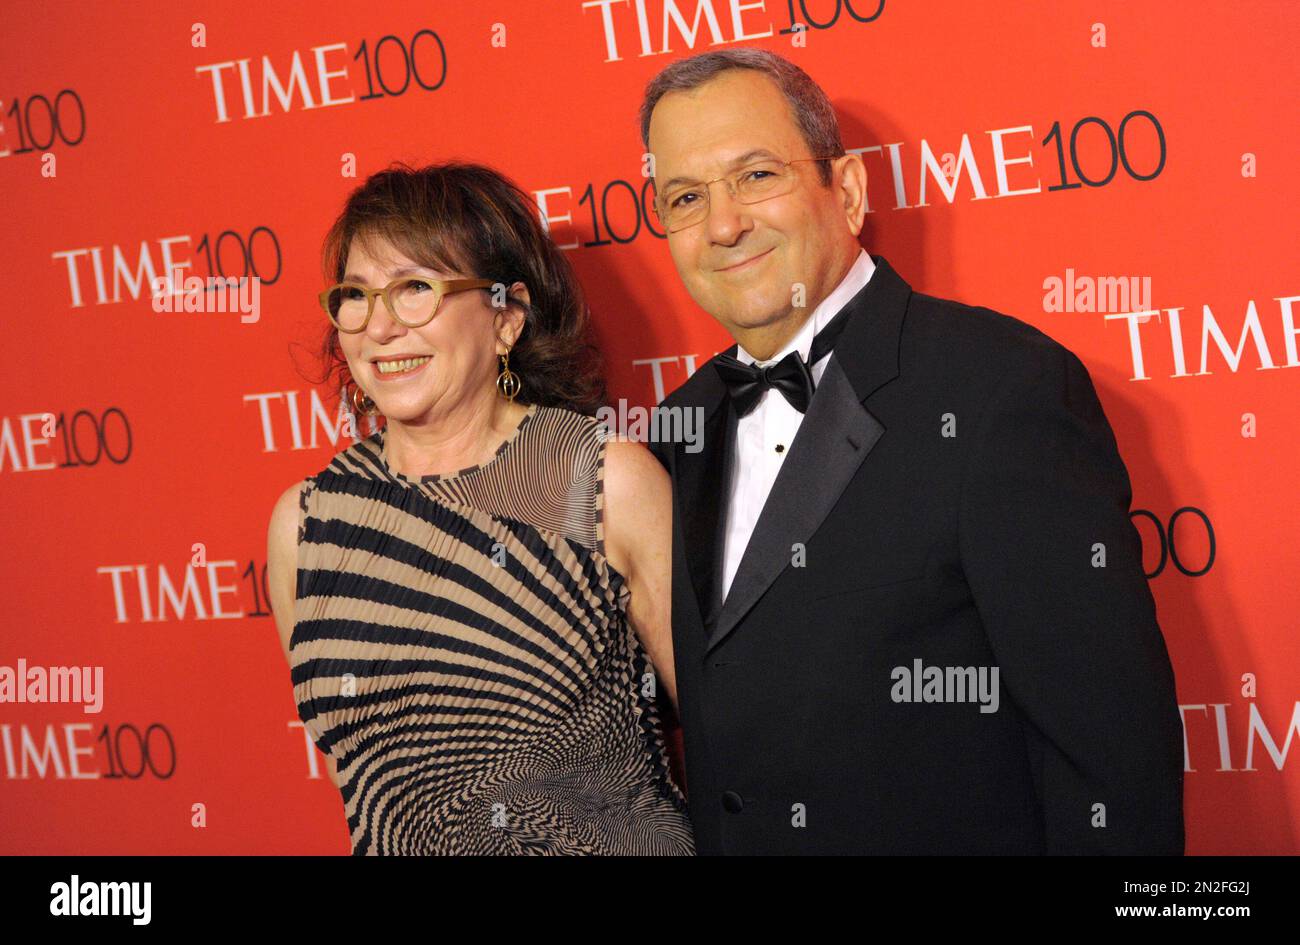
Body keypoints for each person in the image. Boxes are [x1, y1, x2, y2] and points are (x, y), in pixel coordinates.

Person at [639, 49, 1184, 854]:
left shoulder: (1002, 389)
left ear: (848, 191)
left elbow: (1111, 760)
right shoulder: (672, 432)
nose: (723, 224)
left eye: (757, 176)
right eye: (686, 197)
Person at [265, 161, 693, 855]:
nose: (379, 326)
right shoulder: (308, 524)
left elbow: (725, 739)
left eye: (414, 290)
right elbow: (371, 783)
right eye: (356, 295)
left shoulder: (603, 481)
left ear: (506, 317)